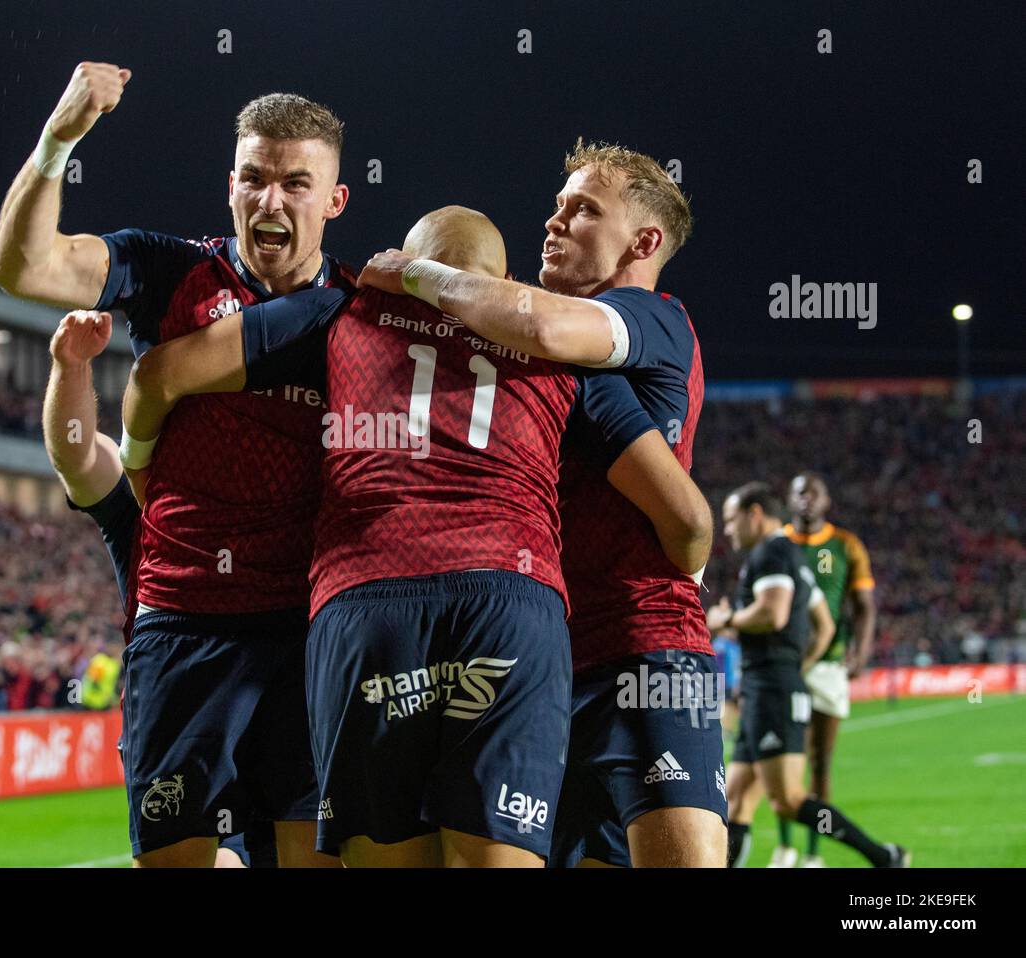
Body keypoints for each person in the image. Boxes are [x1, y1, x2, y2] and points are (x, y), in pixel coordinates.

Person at [122, 205, 711, 867]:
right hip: (508, 602)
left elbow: (158, 374)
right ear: (504, 279)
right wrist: (681, 575)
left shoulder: (340, 313)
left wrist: (140, 471)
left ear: (401, 265)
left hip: (366, 603)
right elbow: (686, 518)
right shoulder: (555, 355)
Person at [0, 60, 350, 867]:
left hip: (312, 632)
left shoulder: (359, 312)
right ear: (230, 185)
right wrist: (58, 140)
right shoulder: (167, 270)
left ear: (334, 201)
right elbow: (22, 269)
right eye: (254, 178)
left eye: (297, 183)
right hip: (185, 628)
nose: (271, 201)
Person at [358, 142, 723, 867]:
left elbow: (690, 527)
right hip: (539, 662)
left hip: (643, 648)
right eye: (557, 207)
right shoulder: (535, 368)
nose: (554, 223)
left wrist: (415, 272)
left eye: (583, 210)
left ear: (644, 242)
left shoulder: (648, 319)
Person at [41, 308, 259, 868]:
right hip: (178, 712)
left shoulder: (272, 488)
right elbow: (77, 455)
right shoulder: (138, 504)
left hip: (279, 699)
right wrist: (70, 368)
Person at [708, 482, 908, 868]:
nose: (728, 530)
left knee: (788, 801)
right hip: (768, 686)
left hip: (771, 689)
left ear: (755, 514)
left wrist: (727, 618)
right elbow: (824, 625)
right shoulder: (794, 556)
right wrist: (800, 665)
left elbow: (774, 613)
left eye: (732, 520)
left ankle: (883, 856)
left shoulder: (770, 552)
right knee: (733, 801)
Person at [776, 470, 877, 868]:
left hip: (829, 666)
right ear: (789, 499)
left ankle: (813, 854)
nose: (806, 499)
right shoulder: (777, 544)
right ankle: (786, 850)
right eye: (799, 492)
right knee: (783, 761)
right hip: (785, 665)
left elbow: (865, 606)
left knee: (820, 762)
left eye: (814, 493)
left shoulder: (846, 545)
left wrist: (862, 652)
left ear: (827, 501)